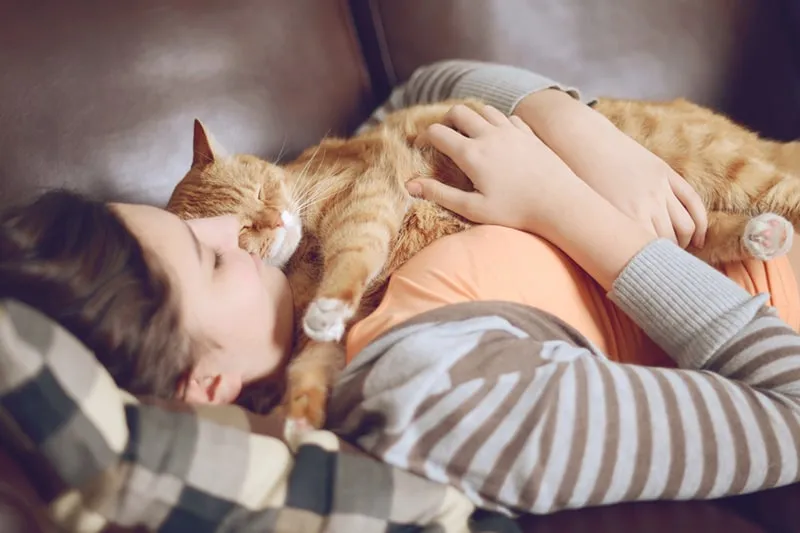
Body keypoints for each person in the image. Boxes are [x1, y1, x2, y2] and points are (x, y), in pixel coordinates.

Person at [1, 60, 800, 511]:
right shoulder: (435, 400)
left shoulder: (324, 244)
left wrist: (575, 129)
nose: (224, 228)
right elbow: (790, 411)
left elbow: (422, 89)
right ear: (204, 383)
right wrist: (566, 210)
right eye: (207, 259)